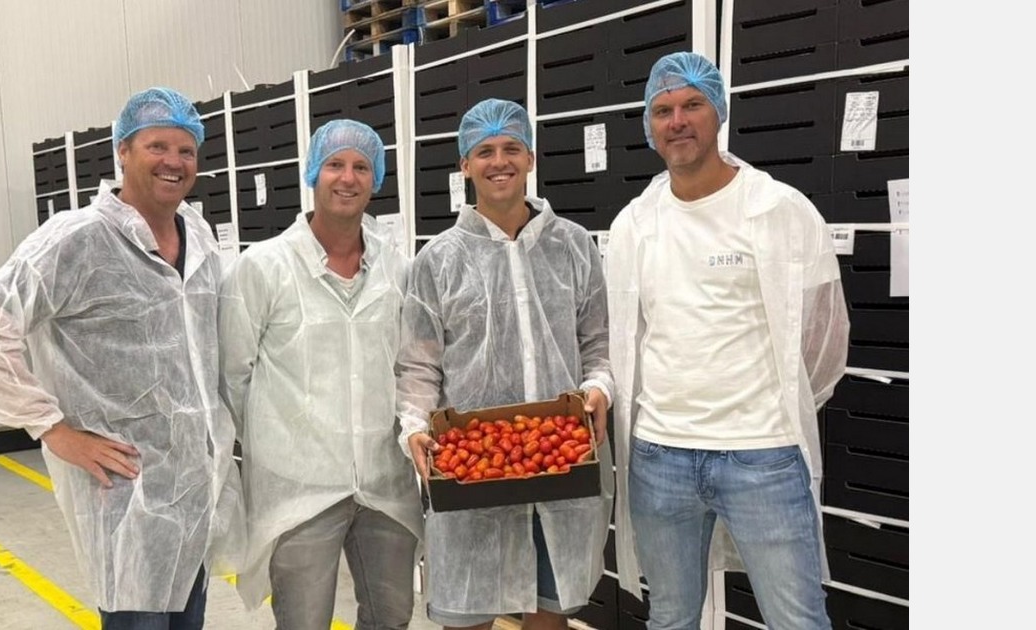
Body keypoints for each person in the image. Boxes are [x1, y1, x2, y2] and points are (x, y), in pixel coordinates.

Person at [0, 87, 245, 629]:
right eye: (157, 146)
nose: (174, 162)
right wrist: (52, 428)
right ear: (122, 150)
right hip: (124, 499)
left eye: (186, 151)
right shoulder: (77, 239)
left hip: (193, 494)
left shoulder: (202, 237)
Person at [606, 51, 851, 629]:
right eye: (663, 109)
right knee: (669, 616)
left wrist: (769, 409)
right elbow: (626, 337)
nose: (677, 120)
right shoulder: (633, 224)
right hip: (659, 455)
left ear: (718, 113)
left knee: (798, 619)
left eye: (692, 105)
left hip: (762, 453)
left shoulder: (780, 209)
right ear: (649, 125)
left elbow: (824, 342)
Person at [397, 98, 614, 630]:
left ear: (531, 158)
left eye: (511, 148)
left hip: (560, 462)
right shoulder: (438, 261)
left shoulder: (574, 247)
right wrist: (413, 428)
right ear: (464, 166)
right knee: (466, 613)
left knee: (548, 610)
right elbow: (419, 366)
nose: (500, 162)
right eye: (484, 151)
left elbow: (598, 342)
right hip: (471, 469)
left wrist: (600, 388)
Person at [219, 119, 424, 630]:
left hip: (384, 483)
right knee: (303, 622)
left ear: (375, 178)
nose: (347, 178)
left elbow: (408, 367)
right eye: (335, 164)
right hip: (299, 490)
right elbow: (232, 378)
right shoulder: (263, 268)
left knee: (391, 618)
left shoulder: (396, 269)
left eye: (360, 166)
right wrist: (282, 449)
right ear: (313, 172)